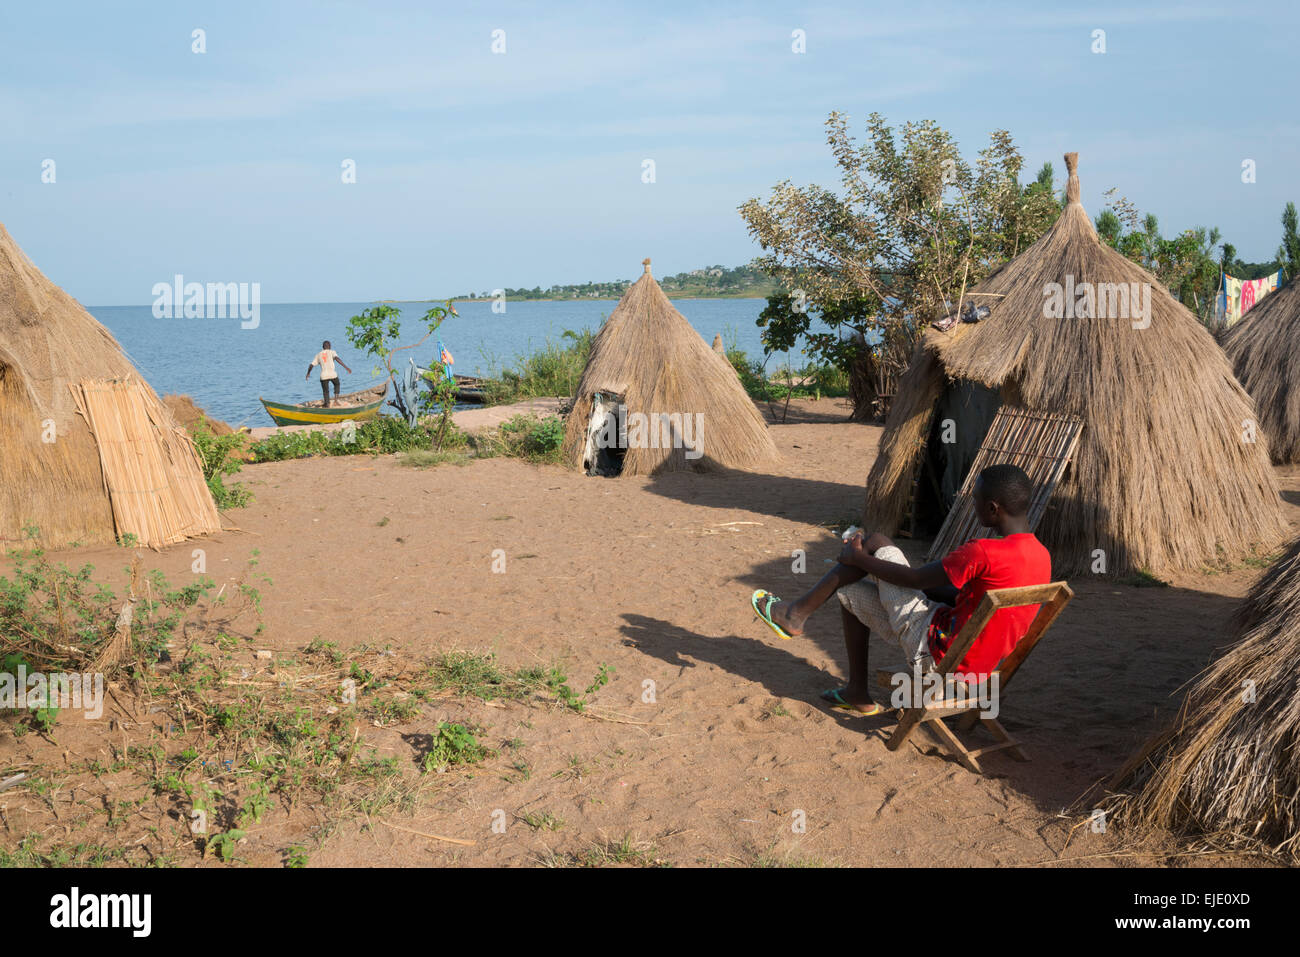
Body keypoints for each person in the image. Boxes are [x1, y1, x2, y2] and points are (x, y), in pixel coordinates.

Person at [751, 464, 1050, 716]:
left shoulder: (983, 551)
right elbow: (961, 597)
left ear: (992, 508)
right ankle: (856, 691)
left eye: (975, 500)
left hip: (937, 655)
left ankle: (795, 614)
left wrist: (858, 559)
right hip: (978, 666)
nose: (971, 506)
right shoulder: (1041, 556)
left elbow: (916, 579)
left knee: (876, 542)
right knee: (848, 592)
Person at [306, 340, 352, 408]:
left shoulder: (318, 354)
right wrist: (346, 367)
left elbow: (311, 365)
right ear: (330, 346)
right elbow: (337, 358)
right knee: (337, 384)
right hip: (332, 374)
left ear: (323, 347)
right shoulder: (332, 352)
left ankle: (327, 404)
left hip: (323, 376)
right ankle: (336, 401)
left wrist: (308, 373)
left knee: (325, 391)